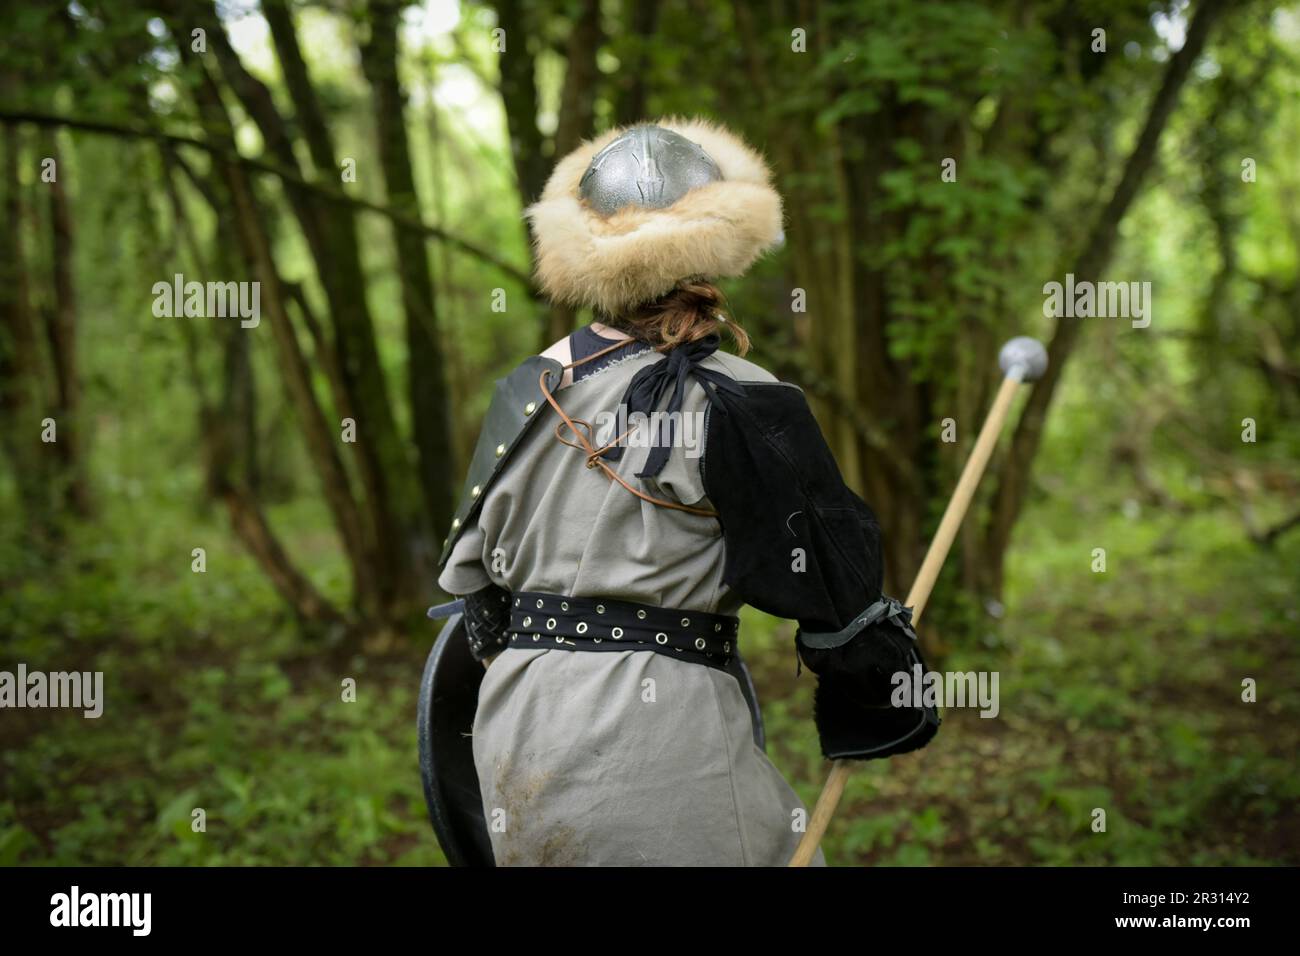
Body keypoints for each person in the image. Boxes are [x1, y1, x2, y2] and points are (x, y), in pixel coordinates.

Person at [436, 118, 937, 866]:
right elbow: (835, 593)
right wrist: (879, 686)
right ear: (720, 248)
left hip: (516, 731)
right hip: (660, 739)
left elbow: (475, 603)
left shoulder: (528, 390)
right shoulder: (742, 396)